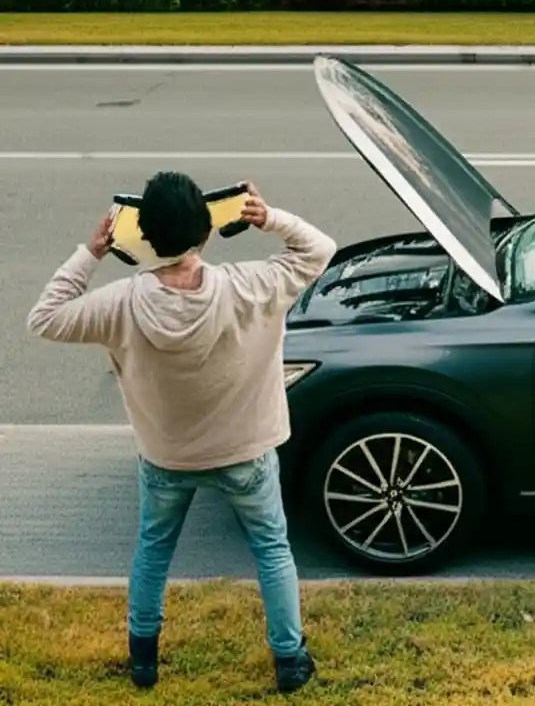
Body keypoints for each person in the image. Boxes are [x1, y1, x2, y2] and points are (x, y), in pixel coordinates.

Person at [26, 172, 338, 694]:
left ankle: (144, 661)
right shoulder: (250, 284)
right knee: (271, 549)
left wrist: (91, 252)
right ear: (207, 230)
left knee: (154, 550)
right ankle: (289, 660)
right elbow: (319, 249)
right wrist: (269, 217)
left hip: (166, 458)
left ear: (142, 236)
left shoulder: (120, 303)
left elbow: (45, 317)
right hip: (248, 452)